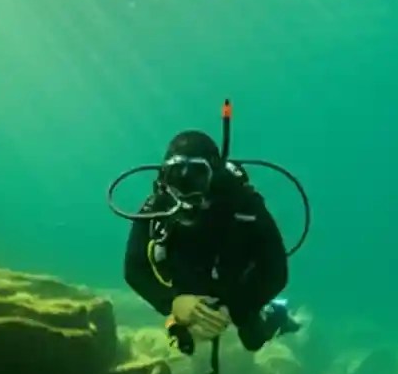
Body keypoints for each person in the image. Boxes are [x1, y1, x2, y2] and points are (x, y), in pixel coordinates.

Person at [122, 130, 300, 353]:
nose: (185, 187)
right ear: (164, 174)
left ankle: (276, 313)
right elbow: (134, 269)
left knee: (253, 340)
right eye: (176, 174)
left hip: (235, 285)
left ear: (214, 174)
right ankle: (180, 322)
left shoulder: (244, 204)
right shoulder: (159, 205)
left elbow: (276, 271)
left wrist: (234, 308)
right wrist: (172, 303)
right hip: (184, 285)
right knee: (184, 344)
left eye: (197, 174)